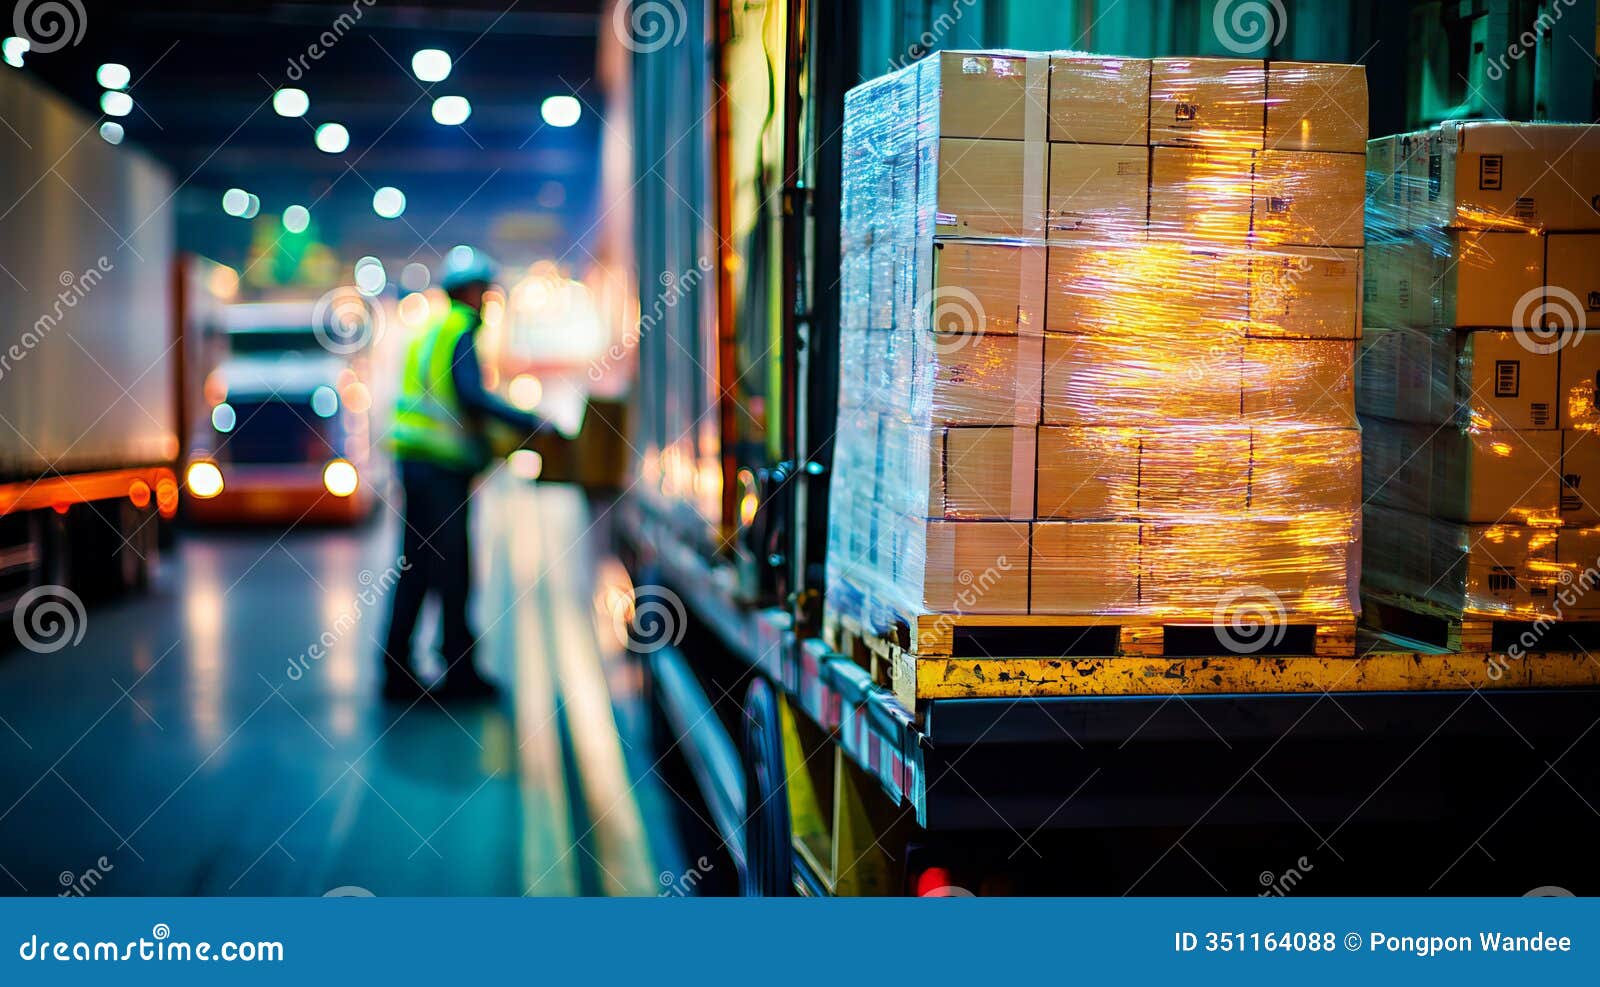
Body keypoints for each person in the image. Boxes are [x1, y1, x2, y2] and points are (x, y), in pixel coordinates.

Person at [379, 246, 549, 702]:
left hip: (417, 464)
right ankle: (460, 671)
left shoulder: (431, 327)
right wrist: (528, 421)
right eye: (486, 291)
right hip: (438, 469)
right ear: (470, 292)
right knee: (453, 568)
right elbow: (471, 396)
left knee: (415, 566)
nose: (490, 299)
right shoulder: (459, 331)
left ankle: (395, 670)